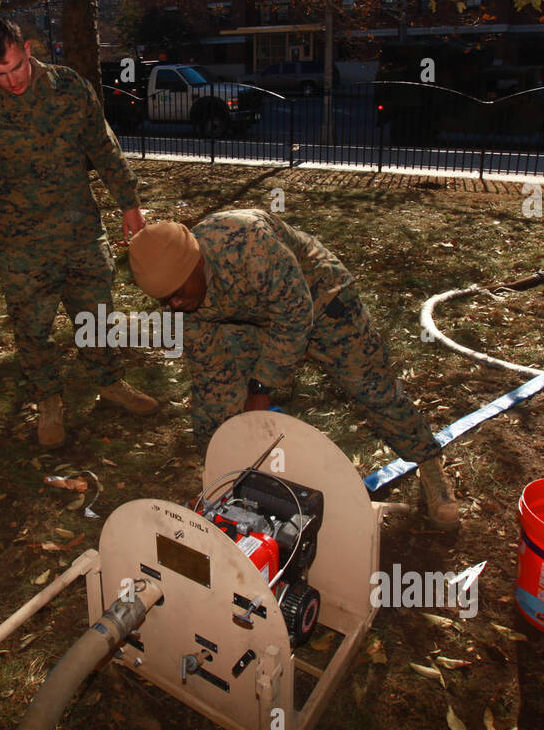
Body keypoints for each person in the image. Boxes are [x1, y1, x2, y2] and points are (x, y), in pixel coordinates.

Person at [127, 209, 460, 528]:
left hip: (317, 295)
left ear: (196, 263)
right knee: (217, 398)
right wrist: (219, 433)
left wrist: (261, 387)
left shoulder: (248, 245)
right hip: (244, 316)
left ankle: (428, 461)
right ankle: (227, 482)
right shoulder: (179, 300)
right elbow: (210, 372)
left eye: (178, 293)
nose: (173, 304)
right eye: (164, 299)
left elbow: (294, 316)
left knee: (370, 386)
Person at [0, 16, 157, 448]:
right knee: (33, 330)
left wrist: (129, 202)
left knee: (97, 316)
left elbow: (103, 146)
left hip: (80, 231)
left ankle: (110, 381)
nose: (12, 81)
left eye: (15, 67)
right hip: (21, 245)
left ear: (27, 48)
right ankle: (48, 401)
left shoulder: (69, 88)